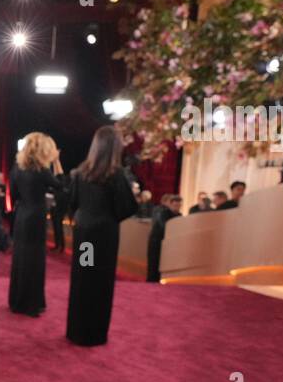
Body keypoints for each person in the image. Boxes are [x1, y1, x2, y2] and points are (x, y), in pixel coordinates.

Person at [66, 126, 137, 346]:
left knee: (82, 277)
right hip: (103, 237)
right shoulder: (116, 175)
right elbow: (128, 208)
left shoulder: (80, 172)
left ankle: (76, 330)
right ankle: (93, 333)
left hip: (84, 234)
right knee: (100, 283)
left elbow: (72, 203)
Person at [9, 132, 62, 316]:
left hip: (21, 216)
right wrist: (56, 162)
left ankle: (17, 301)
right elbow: (61, 186)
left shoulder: (16, 168)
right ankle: (31, 303)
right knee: (35, 260)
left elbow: (14, 195)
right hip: (36, 218)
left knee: (20, 258)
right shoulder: (42, 170)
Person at [146, 193, 184, 283]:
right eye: (175, 204)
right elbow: (165, 227)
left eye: (179, 205)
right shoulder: (163, 213)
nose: (177, 207)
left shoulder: (179, 215)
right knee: (154, 263)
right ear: (170, 204)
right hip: (157, 242)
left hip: (168, 244)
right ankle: (151, 282)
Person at [50, 172, 70, 252]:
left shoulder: (64, 190)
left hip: (59, 211)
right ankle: (57, 245)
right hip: (55, 210)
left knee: (58, 228)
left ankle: (61, 246)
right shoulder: (56, 189)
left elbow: (64, 202)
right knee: (56, 227)